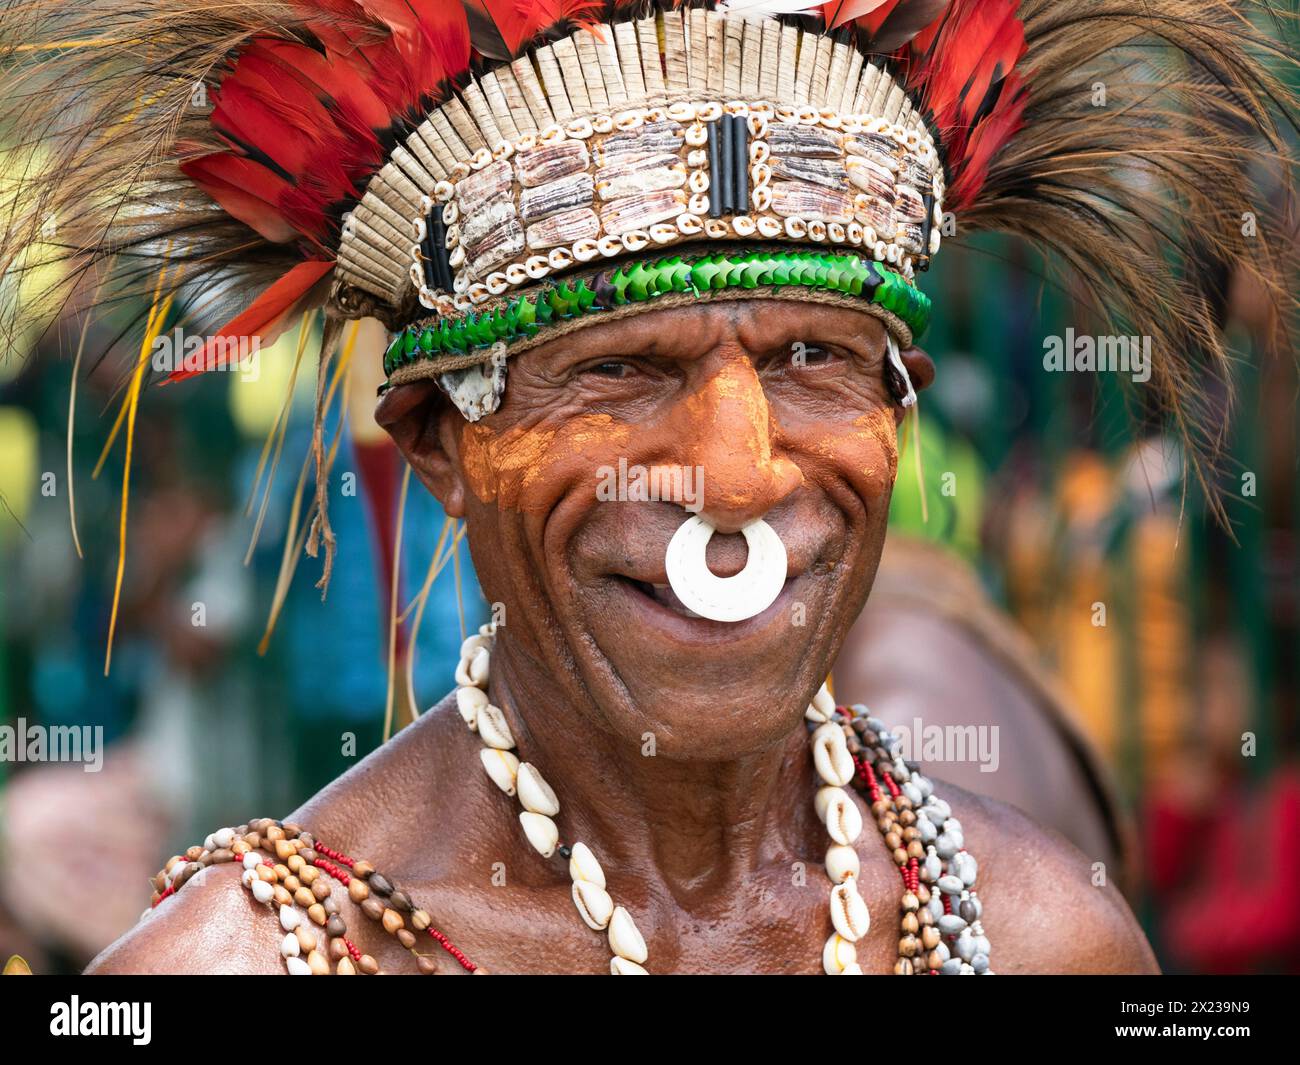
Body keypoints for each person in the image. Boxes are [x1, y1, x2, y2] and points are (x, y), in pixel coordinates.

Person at [1, 1, 1291, 975]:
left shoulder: (1038, 933)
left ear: (899, 407)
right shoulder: (244, 961)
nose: (736, 474)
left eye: (813, 360)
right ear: (441, 444)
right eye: (618, 368)